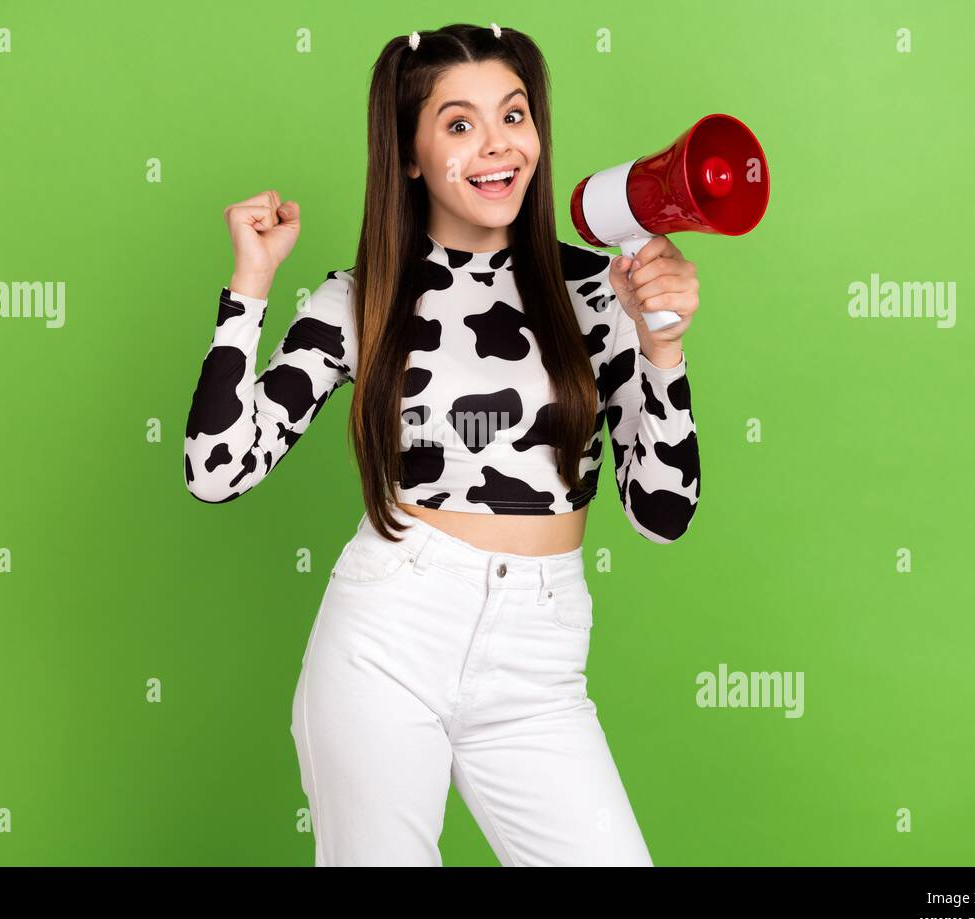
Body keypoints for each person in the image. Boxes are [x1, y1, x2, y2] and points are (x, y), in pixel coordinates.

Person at [183, 22, 701, 866]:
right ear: (412, 154)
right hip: (390, 635)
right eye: (459, 124)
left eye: (515, 115)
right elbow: (214, 469)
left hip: (541, 658)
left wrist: (664, 348)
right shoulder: (361, 299)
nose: (498, 147)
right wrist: (251, 283)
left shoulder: (597, 291)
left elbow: (663, 514)